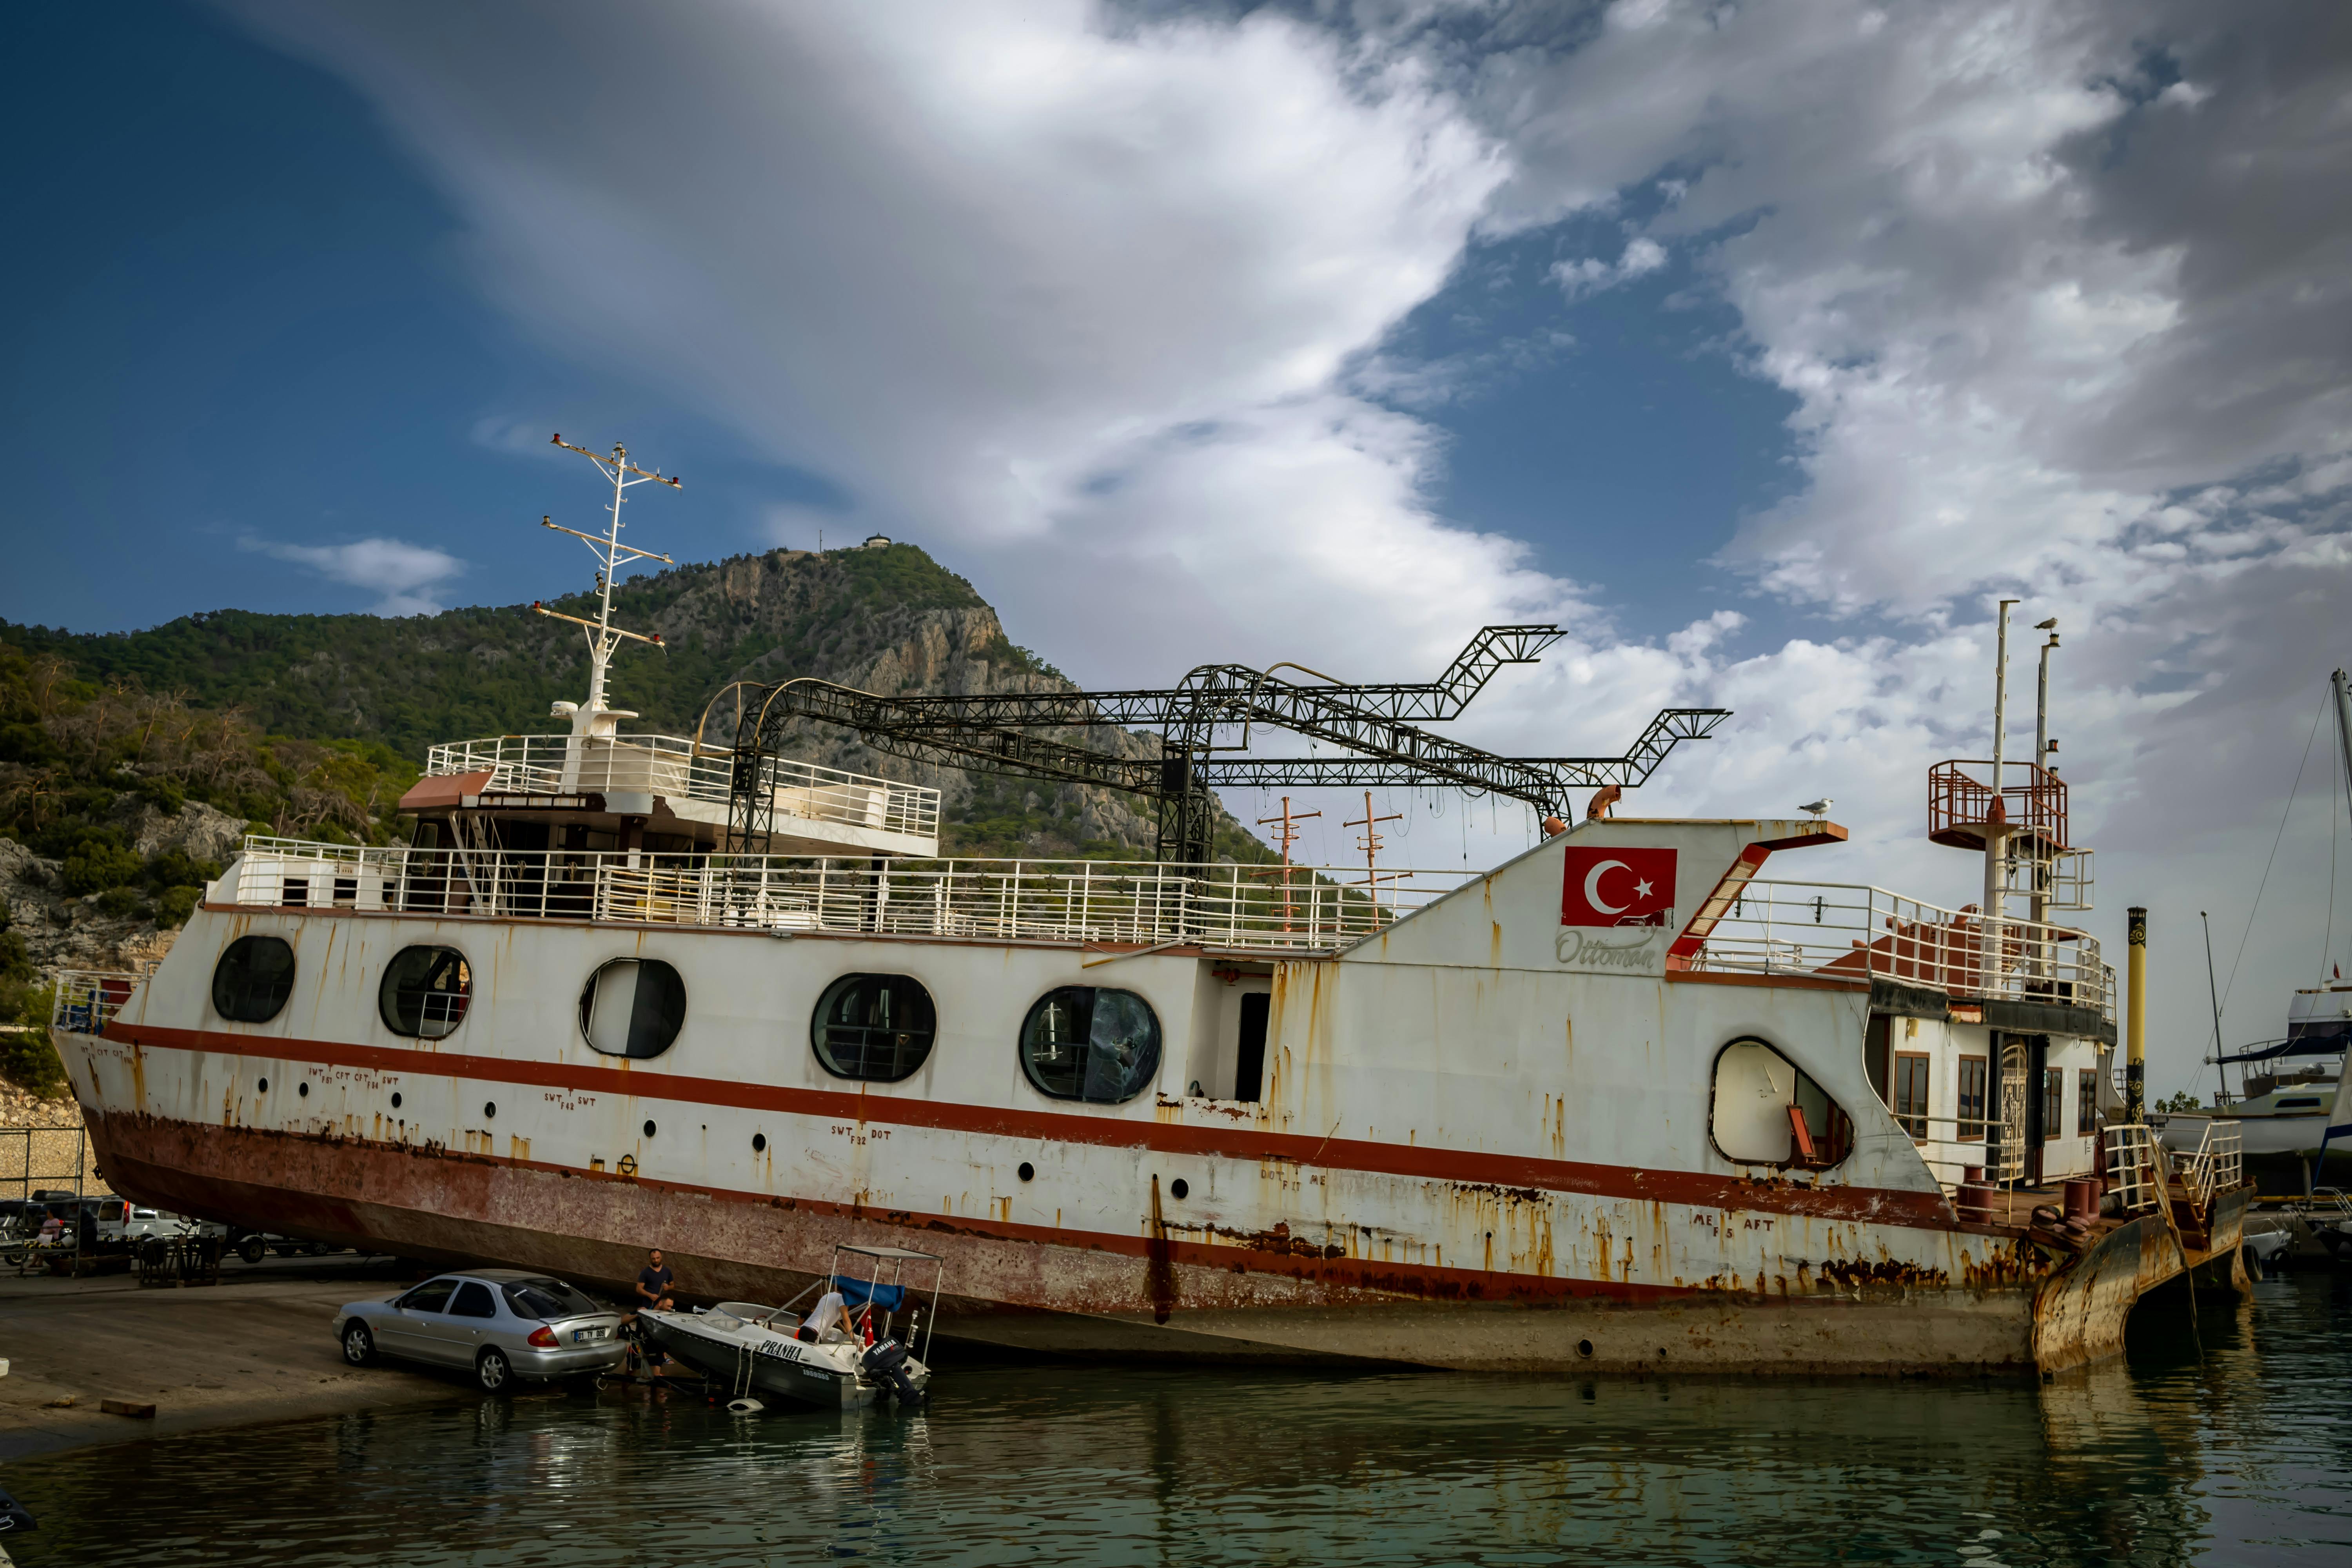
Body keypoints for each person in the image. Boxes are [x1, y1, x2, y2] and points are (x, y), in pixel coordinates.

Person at [635, 1248, 675, 1313]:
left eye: (658, 1258)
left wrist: (668, 1287)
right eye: (653, 1259)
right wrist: (650, 1295)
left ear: (661, 1257)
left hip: (662, 1306)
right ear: (650, 1259)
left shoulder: (667, 1271)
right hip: (649, 1305)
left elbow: (673, 1285)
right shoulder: (646, 1272)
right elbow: (639, 1289)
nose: (656, 1260)